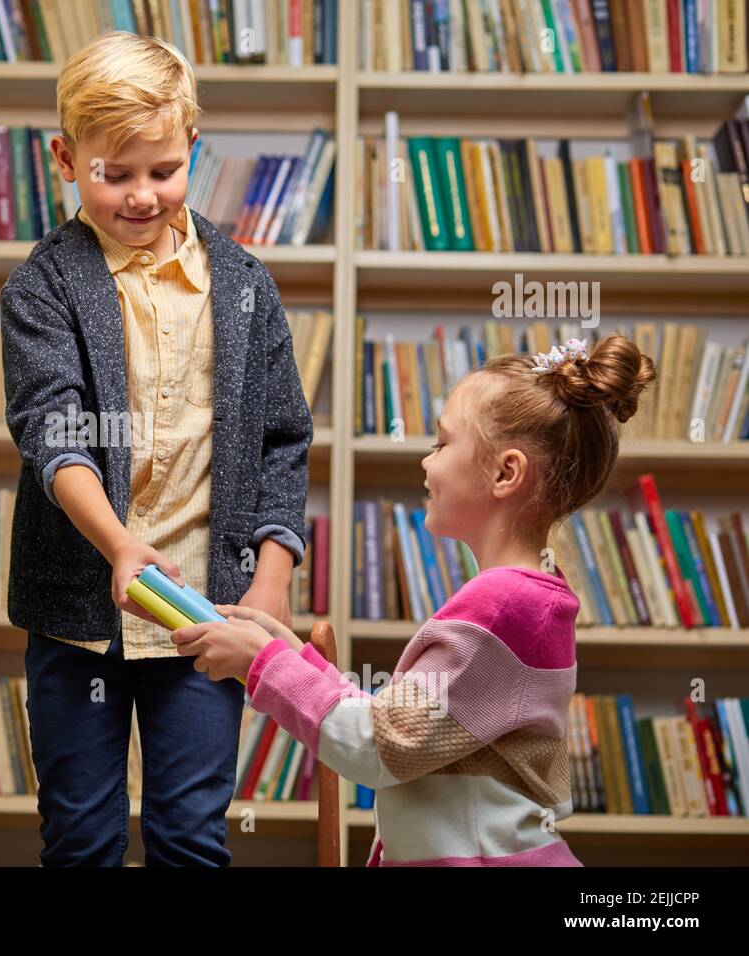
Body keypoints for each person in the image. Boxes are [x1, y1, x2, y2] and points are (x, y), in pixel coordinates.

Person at [0, 31, 311, 865]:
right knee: (81, 838)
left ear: (193, 151)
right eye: (115, 173)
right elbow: (53, 429)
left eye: (163, 171)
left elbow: (284, 438)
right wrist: (119, 546)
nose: (141, 195)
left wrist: (272, 579)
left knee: (189, 836)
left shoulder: (245, 283)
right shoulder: (45, 283)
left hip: (209, 614)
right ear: (67, 159)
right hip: (79, 612)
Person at [174, 334, 655, 866]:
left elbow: (380, 747)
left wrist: (262, 665)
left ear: (505, 473)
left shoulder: (503, 605)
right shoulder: (525, 597)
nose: (427, 462)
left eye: (443, 443)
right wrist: (291, 655)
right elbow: (403, 727)